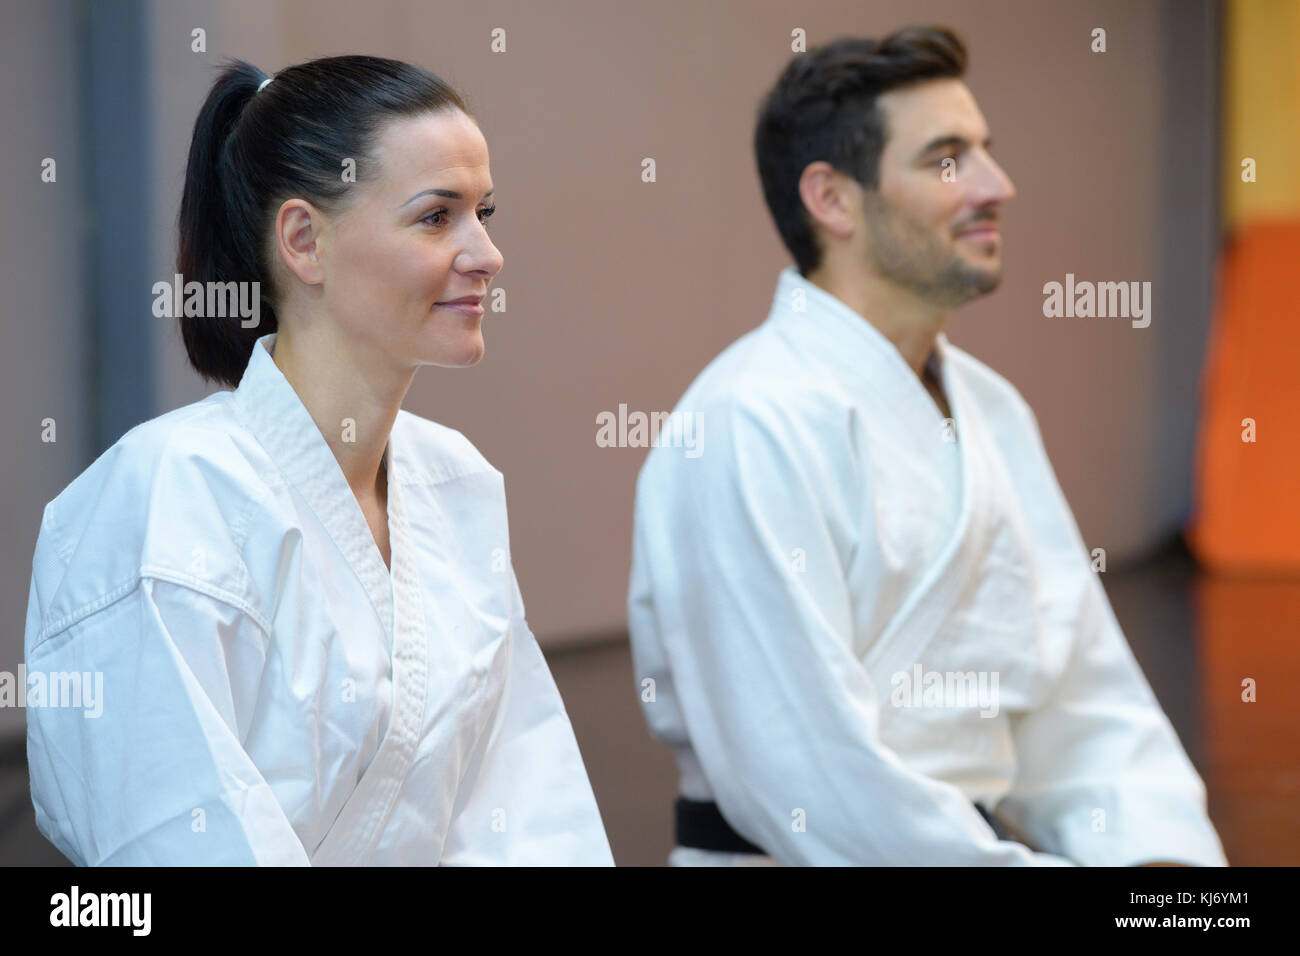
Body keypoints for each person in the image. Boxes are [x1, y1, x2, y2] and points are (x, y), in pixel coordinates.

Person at [626, 27, 1227, 866]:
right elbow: (806, 777)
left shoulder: (992, 409)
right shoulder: (743, 425)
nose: (998, 185)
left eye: (987, 151)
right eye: (949, 159)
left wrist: (1165, 875)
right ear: (832, 199)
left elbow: (1083, 707)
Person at [23, 55, 613, 866]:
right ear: (304, 240)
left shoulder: (455, 483)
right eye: (438, 217)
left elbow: (525, 809)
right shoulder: (169, 494)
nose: (487, 254)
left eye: (485, 212)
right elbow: (171, 831)